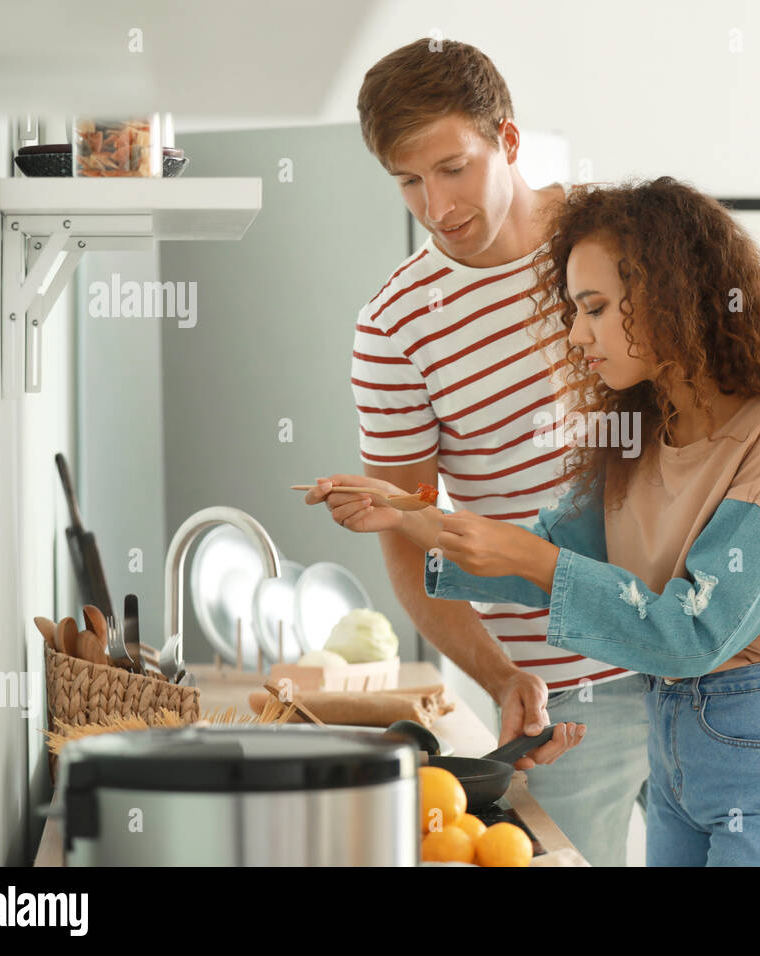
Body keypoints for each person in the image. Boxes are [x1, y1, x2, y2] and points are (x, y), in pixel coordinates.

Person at [323, 176, 760, 866]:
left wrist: (527, 558)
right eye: (574, 310)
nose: (577, 335)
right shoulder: (641, 434)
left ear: (673, 298)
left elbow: (690, 633)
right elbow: (544, 550)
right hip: (679, 754)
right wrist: (404, 517)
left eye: (595, 308)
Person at [304, 38, 649, 867]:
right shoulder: (394, 327)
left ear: (510, 140)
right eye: (409, 181)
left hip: (702, 662)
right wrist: (500, 679)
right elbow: (406, 530)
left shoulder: (624, 243)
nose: (436, 203)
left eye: (453, 167)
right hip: (560, 703)